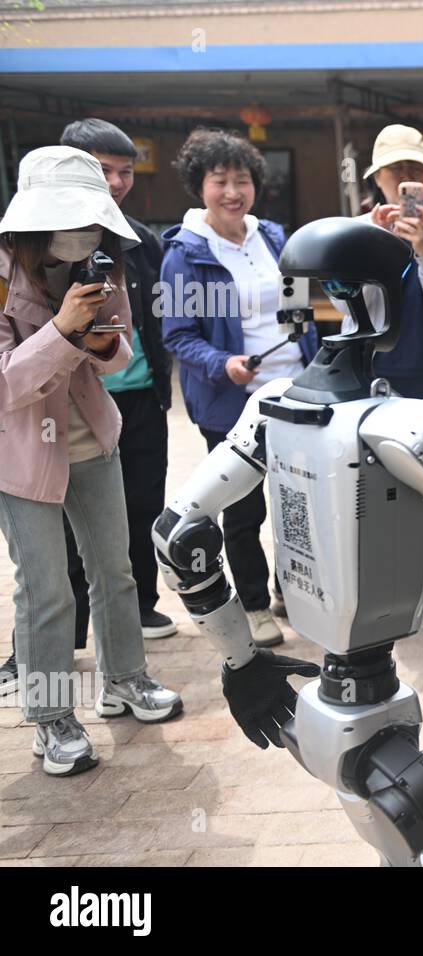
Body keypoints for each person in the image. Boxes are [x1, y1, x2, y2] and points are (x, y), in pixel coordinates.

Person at [0, 145, 183, 776]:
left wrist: (98, 331)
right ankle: (51, 718)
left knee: (118, 568)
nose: (81, 232)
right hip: (22, 456)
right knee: (46, 592)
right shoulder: (1, 274)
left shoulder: (103, 263)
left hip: (93, 440)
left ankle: (125, 678)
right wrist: (61, 329)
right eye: (68, 219)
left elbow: (114, 358)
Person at [160, 128, 319, 647]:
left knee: (297, 501)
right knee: (244, 510)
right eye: (220, 181)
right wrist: (222, 362)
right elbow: (177, 333)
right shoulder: (184, 253)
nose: (233, 191)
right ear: (198, 186)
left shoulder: (273, 236)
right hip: (231, 401)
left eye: (242, 180)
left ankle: (288, 591)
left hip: (295, 390)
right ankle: (252, 605)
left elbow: (297, 306)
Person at [332, 124, 423, 622]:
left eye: (416, 171)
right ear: (379, 180)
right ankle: (375, 593)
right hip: (371, 377)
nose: (407, 180)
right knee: (370, 487)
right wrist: (376, 247)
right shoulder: (357, 231)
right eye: (397, 171)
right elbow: (346, 303)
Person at [59, 118, 177, 642]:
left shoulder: (142, 241)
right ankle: (73, 624)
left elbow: (155, 316)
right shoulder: (41, 243)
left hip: (140, 398)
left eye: (124, 171)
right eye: (101, 169)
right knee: (69, 518)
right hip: (72, 404)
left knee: (143, 501)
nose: (115, 182)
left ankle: (141, 608)